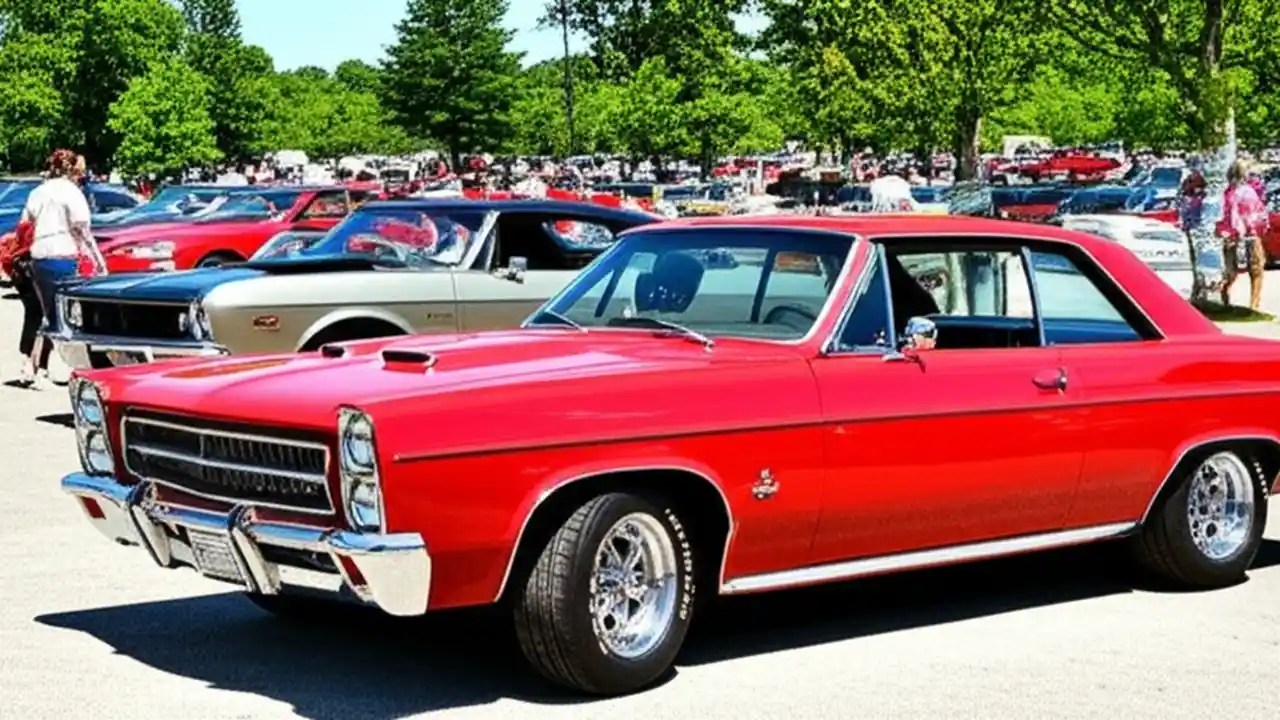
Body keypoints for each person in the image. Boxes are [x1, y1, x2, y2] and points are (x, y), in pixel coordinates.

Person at [16, 149, 99, 387]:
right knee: (61, 316)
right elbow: (82, 227)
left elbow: (25, 223)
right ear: (73, 170)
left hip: (39, 256)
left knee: (46, 312)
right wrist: (97, 260)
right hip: (64, 255)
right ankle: (50, 368)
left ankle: (31, 366)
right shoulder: (72, 193)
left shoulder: (38, 192)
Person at [1218, 159, 1270, 310]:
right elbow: (1258, 212)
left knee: (1232, 271)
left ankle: (1226, 298)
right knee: (1256, 270)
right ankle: (1253, 304)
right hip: (1247, 233)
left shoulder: (1229, 192)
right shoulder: (1246, 192)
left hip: (1234, 234)